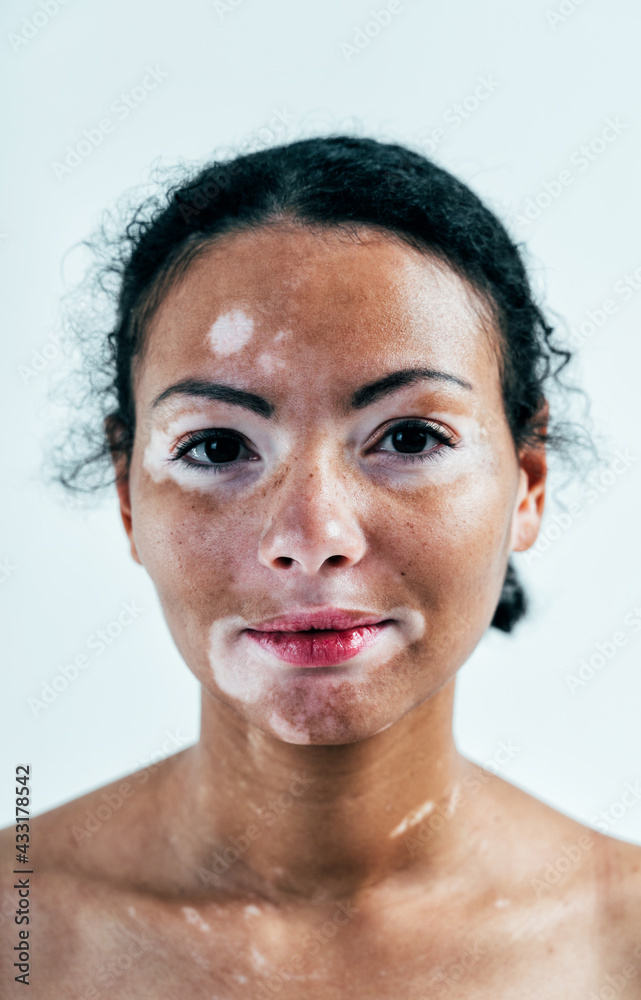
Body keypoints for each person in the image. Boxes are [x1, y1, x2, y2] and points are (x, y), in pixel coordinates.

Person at [2, 135, 639, 998]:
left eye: (409, 438)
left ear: (526, 480)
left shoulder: (621, 942)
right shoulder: (21, 934)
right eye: (217, 445)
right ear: (126, 494)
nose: (310, 534)